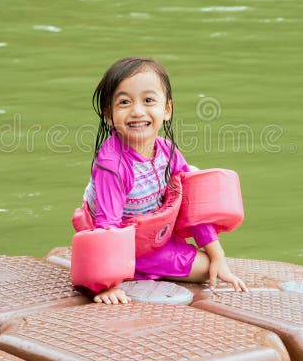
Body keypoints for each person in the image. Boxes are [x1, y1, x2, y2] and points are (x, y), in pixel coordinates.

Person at [82, 56, 247, 304]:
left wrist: (218, 256)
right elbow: (107, 227)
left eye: (149, 100)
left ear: (166, 110)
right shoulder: (112, 165)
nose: (137, 111)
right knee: (199, 269)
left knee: (207, 268)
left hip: (155, 241)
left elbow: (194, 208)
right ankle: (132, 271)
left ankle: (143, 270)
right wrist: (107, 284)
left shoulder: (168, 151)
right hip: (121, 247)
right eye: (124, 102)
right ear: (108, 114)